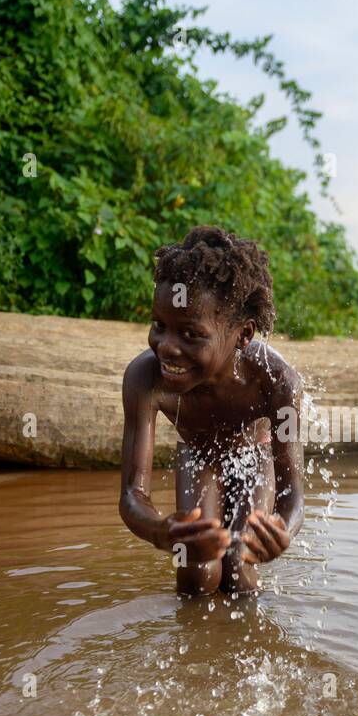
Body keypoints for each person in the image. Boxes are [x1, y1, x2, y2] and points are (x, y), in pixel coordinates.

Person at [119, 226, 305, 595]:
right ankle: (194, 648)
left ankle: (245, 638)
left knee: (239, 568)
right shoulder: (145, 379)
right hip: (198, 455)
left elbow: (293, 493)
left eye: (191, 334)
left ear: (243, 334)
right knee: (195, 574)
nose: (167, 348)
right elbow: (131, 495)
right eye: (159, 326)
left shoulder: (277, 381)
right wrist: (161, 531)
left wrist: (282, 530)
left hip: (255, 456)